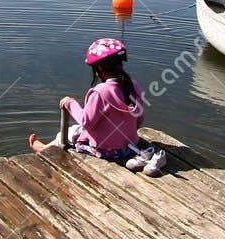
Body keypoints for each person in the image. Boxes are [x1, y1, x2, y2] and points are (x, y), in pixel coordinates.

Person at [29, 37, 166, 174]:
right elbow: (139, 119)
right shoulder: (134, 86)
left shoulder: (99, 92)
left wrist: (70, 103)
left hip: (105, 150)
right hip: (129, 146)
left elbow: (86, 122)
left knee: (70, 132)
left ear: (99, 68)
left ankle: (44, 149)